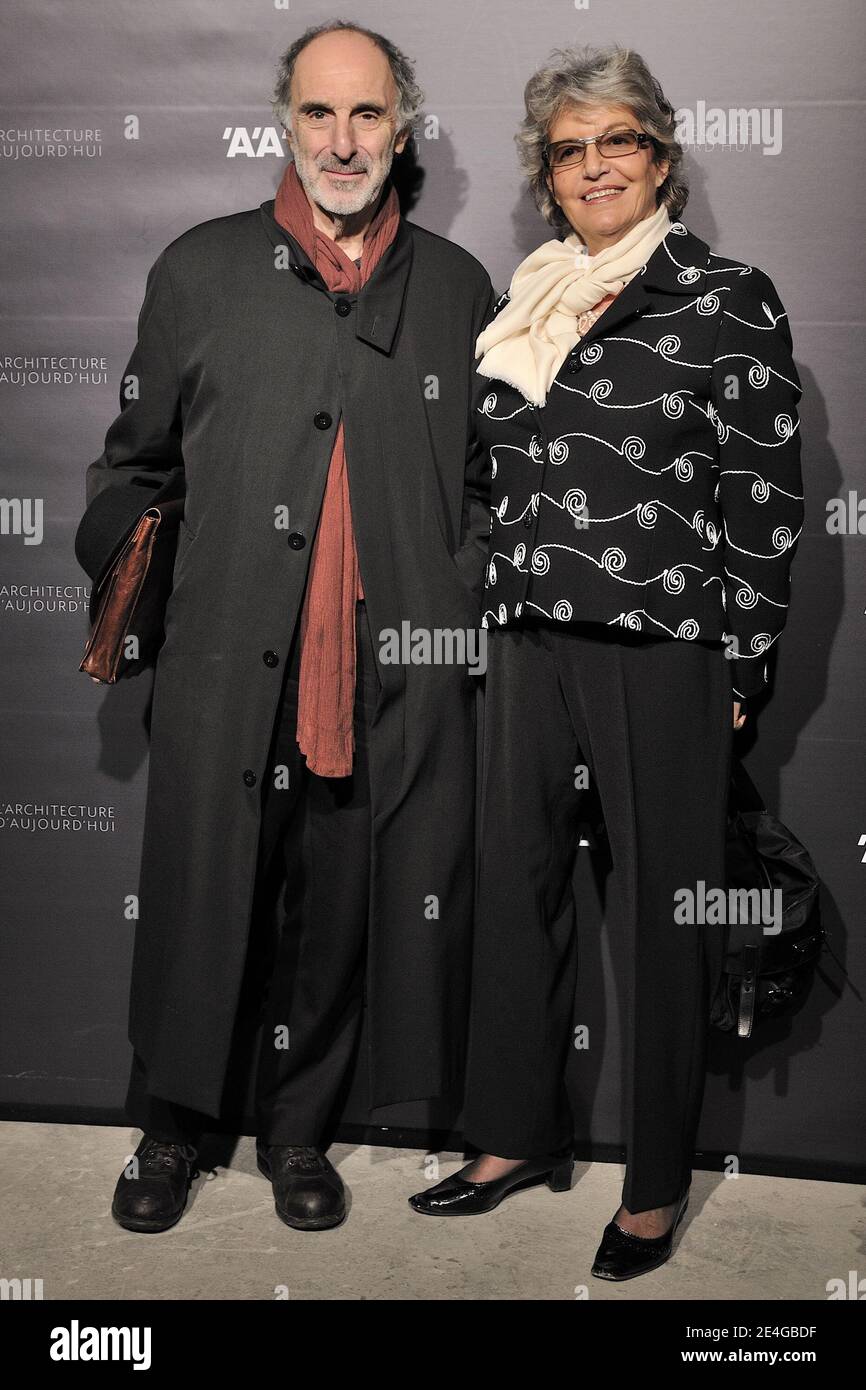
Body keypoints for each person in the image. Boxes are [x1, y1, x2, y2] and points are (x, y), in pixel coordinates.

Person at [75, 19, 494, 1234]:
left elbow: (478, 483)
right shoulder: (199, 269)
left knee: (340, 912)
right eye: (318, 113)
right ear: (283, 122)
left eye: (366, 114)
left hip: (388, 679)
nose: (342, 139)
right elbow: (133, 468)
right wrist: (149, 571)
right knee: (205, 901)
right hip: (224, 668)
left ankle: (296, 1133)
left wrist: (447, 589)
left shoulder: (458, 289)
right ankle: (172, 1128)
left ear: (402, 128)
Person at [408, 43, 803, 1281]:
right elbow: (487, 474)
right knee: (513, 892)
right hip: (524, 638)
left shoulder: (723, 295)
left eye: (615, 142)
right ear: (546, 173)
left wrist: (740, 663)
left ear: (659, 156)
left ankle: (652, 1185)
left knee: (663, 915)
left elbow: (766, 494)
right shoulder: (524, 295)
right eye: (569, 150)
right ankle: (511, 1134)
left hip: (661, 649)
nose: (593, 166)